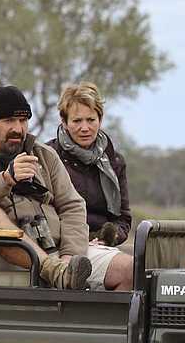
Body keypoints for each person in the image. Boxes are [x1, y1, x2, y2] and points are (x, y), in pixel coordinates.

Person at [0, 85, 132, 290]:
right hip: (10, 256)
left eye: (23, 121)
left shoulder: (44, 155)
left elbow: (72, 205)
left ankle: (88, 316)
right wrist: (5, 180)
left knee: (130, 270)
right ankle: (54, 272)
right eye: (9, 120)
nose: (18, 129)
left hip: (59, 251)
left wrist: (69, 255)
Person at [48, 82, 133, 251]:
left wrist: (108, 238)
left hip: (104, 244)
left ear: (100, 120)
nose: (84, 128)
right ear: (64, 122)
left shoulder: (115, 161)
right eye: (77, 120)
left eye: (91, 120)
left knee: (142, 265)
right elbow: (42, 212)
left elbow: (123, 219)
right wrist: (77, 241)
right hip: (62, 243)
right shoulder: (48, 156)